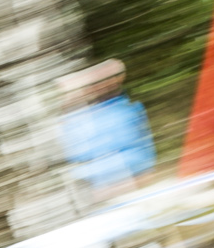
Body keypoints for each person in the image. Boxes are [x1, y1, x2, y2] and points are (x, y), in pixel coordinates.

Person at [58, 60, 156, 197]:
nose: (102, 86)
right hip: (102, 189)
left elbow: (141, 155)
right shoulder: (74, 122)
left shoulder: (125, 111)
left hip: (128, 183)